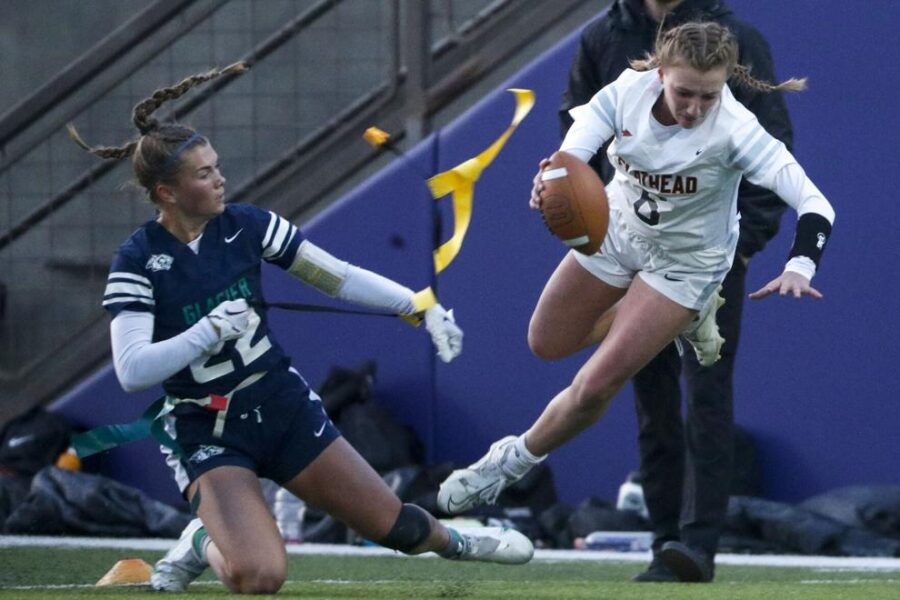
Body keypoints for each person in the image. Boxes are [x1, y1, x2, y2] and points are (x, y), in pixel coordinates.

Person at [70, 63, 532, 595]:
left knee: (398, 528)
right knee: (258, 575)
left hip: (281, 404)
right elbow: (131, 372)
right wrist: (205, 332)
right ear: (167, 193)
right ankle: (201, 541)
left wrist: (417, 305)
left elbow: (334, 277)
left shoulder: (246, 225)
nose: (220, 179)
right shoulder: (137, 258)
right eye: (203, 174)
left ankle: (461, 543)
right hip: (209, 429)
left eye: (216, 167)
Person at [438, 19, 834, 583]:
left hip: (686, 265)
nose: (696, 106)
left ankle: (509, 462)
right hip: (617, 235)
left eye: (709, 94)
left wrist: (800, 263)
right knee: (546, 343)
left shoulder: (737, 128)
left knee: (596, 383)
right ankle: (665, 320)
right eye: (684, 92)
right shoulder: (624, 91)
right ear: (660, 72)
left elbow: (816, 204)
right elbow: (570, 159)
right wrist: (551, 181)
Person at [556, 0, 796, 582]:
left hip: (709, 257)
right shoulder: (600, 40)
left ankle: (696, 546)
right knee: (649, 395)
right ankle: (666, 537)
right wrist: (588, 222)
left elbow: (773, 150)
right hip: (631, 246)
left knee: (706, 394)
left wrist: (735, 250)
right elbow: (574, 139)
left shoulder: (735, 40)